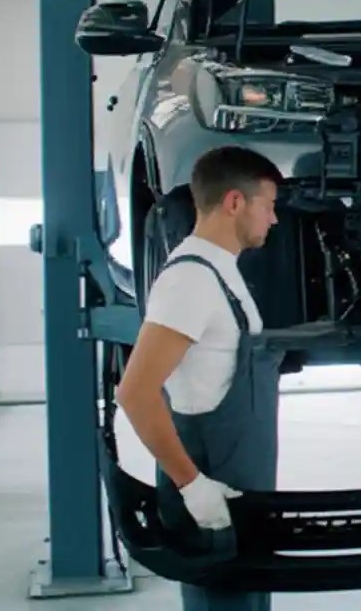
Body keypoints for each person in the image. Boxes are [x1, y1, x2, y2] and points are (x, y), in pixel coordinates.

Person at [116, 145, 284, 610]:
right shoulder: (191, 279)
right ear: (235, 202)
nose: (273, 219)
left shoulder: (221, 272)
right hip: (213, 497)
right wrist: (193, 486)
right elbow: (134, 392)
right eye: (268, 206)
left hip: (241, 490)